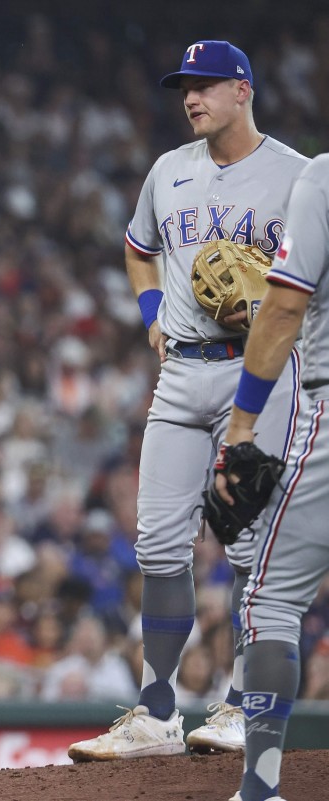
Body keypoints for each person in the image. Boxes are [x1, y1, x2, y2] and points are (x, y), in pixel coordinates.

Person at [67, 40, 309, 763]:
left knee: (251, 545)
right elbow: (138, 248)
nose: (191, 98)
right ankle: (156, 712)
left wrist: (278, 307)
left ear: (243, 90)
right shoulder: (168, 171)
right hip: (181, 371)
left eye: (205, 85)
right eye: (184, 88)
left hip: (261, 374)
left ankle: (239, 704)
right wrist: (151, 314)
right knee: (158, 542)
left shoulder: (297, 176)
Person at [216, 155, 329, 801]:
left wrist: (240, 427)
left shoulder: (322, 177)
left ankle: (259, 789)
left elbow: (285, 306)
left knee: (271, 601)